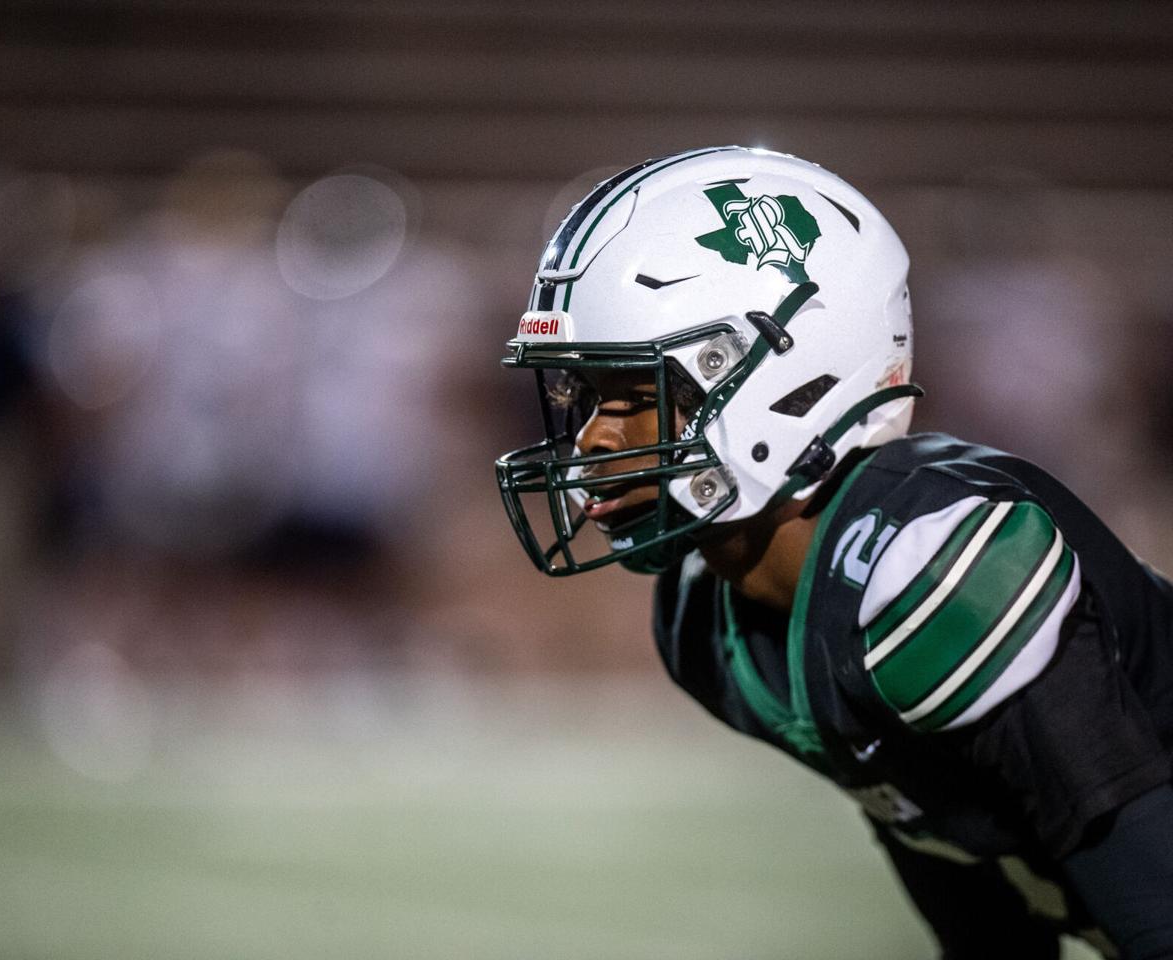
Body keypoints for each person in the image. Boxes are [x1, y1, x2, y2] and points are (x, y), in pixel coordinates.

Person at [495, 147, 1173, 958]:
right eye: (585, 398)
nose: (592, 441)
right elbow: (946, 836)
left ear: (781, 384)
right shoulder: (708, 621)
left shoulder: (933, 563)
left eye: (639, 397)